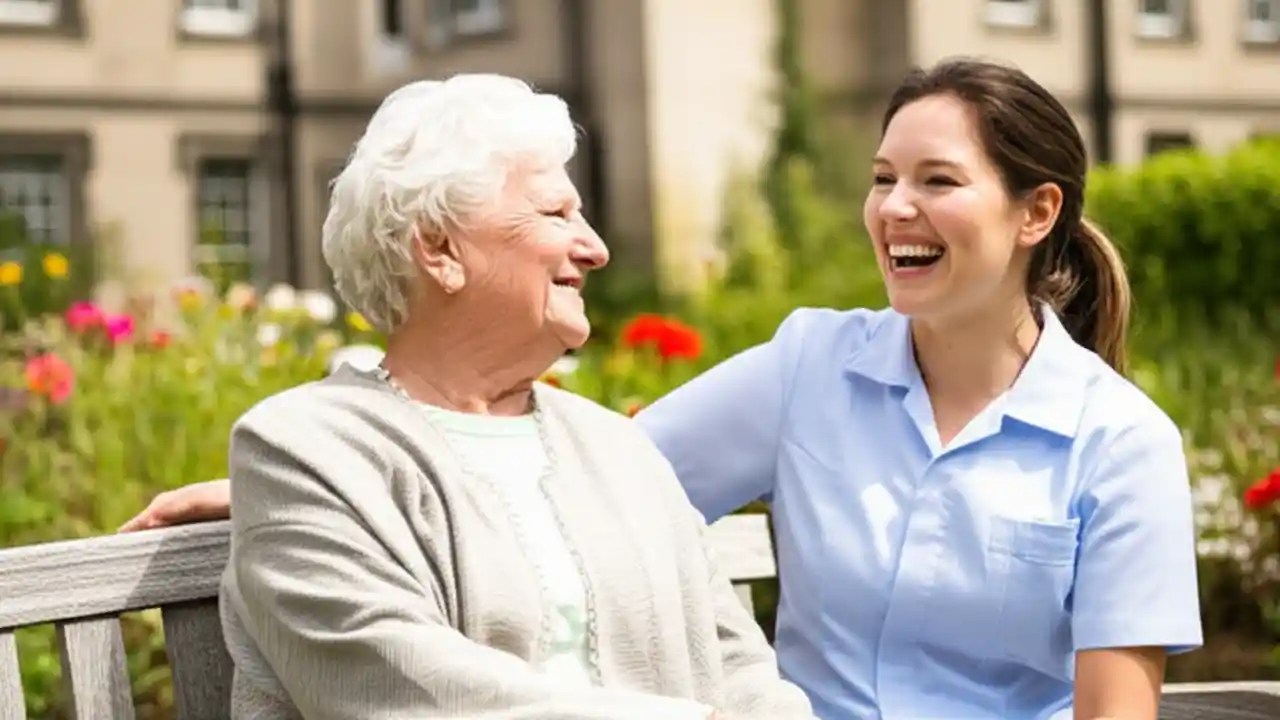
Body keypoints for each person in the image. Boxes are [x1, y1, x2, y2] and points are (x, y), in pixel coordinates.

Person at [122, 59, 1202, 719]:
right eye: (880, 180)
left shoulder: (1118, 444)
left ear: (1034, 212)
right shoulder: (809, 367)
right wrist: (270, 486)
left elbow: (607, 476)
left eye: (935, 181)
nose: (892, 211)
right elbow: (583, 465)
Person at [170, 74, 815, 720]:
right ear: (441, 248)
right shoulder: (300, 450)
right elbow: (409, 693)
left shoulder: (619, 449)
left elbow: (737, 663)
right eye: (556, 213)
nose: (596, 248)